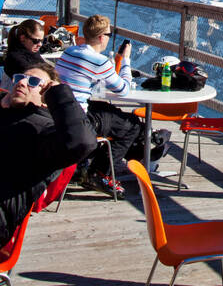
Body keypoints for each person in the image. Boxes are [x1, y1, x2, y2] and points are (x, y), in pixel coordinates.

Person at [0, 59, 95, 264]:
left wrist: (59, 94)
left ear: (45, 100)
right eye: (20, 78)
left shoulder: (44, 133)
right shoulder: (7, 116)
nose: (22, 83)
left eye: (33, 81)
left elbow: (81, 142)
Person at [57, 14, 167, 196]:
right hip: (81, 118)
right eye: (108, 35)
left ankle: (101, 163)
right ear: (101, 38)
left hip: (63, 112)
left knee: (115, 113)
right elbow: (123, 90)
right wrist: (125, 60)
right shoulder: (98, 61)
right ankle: (98, 173)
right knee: (131, 125)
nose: (109, 38)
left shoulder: (69, 51)